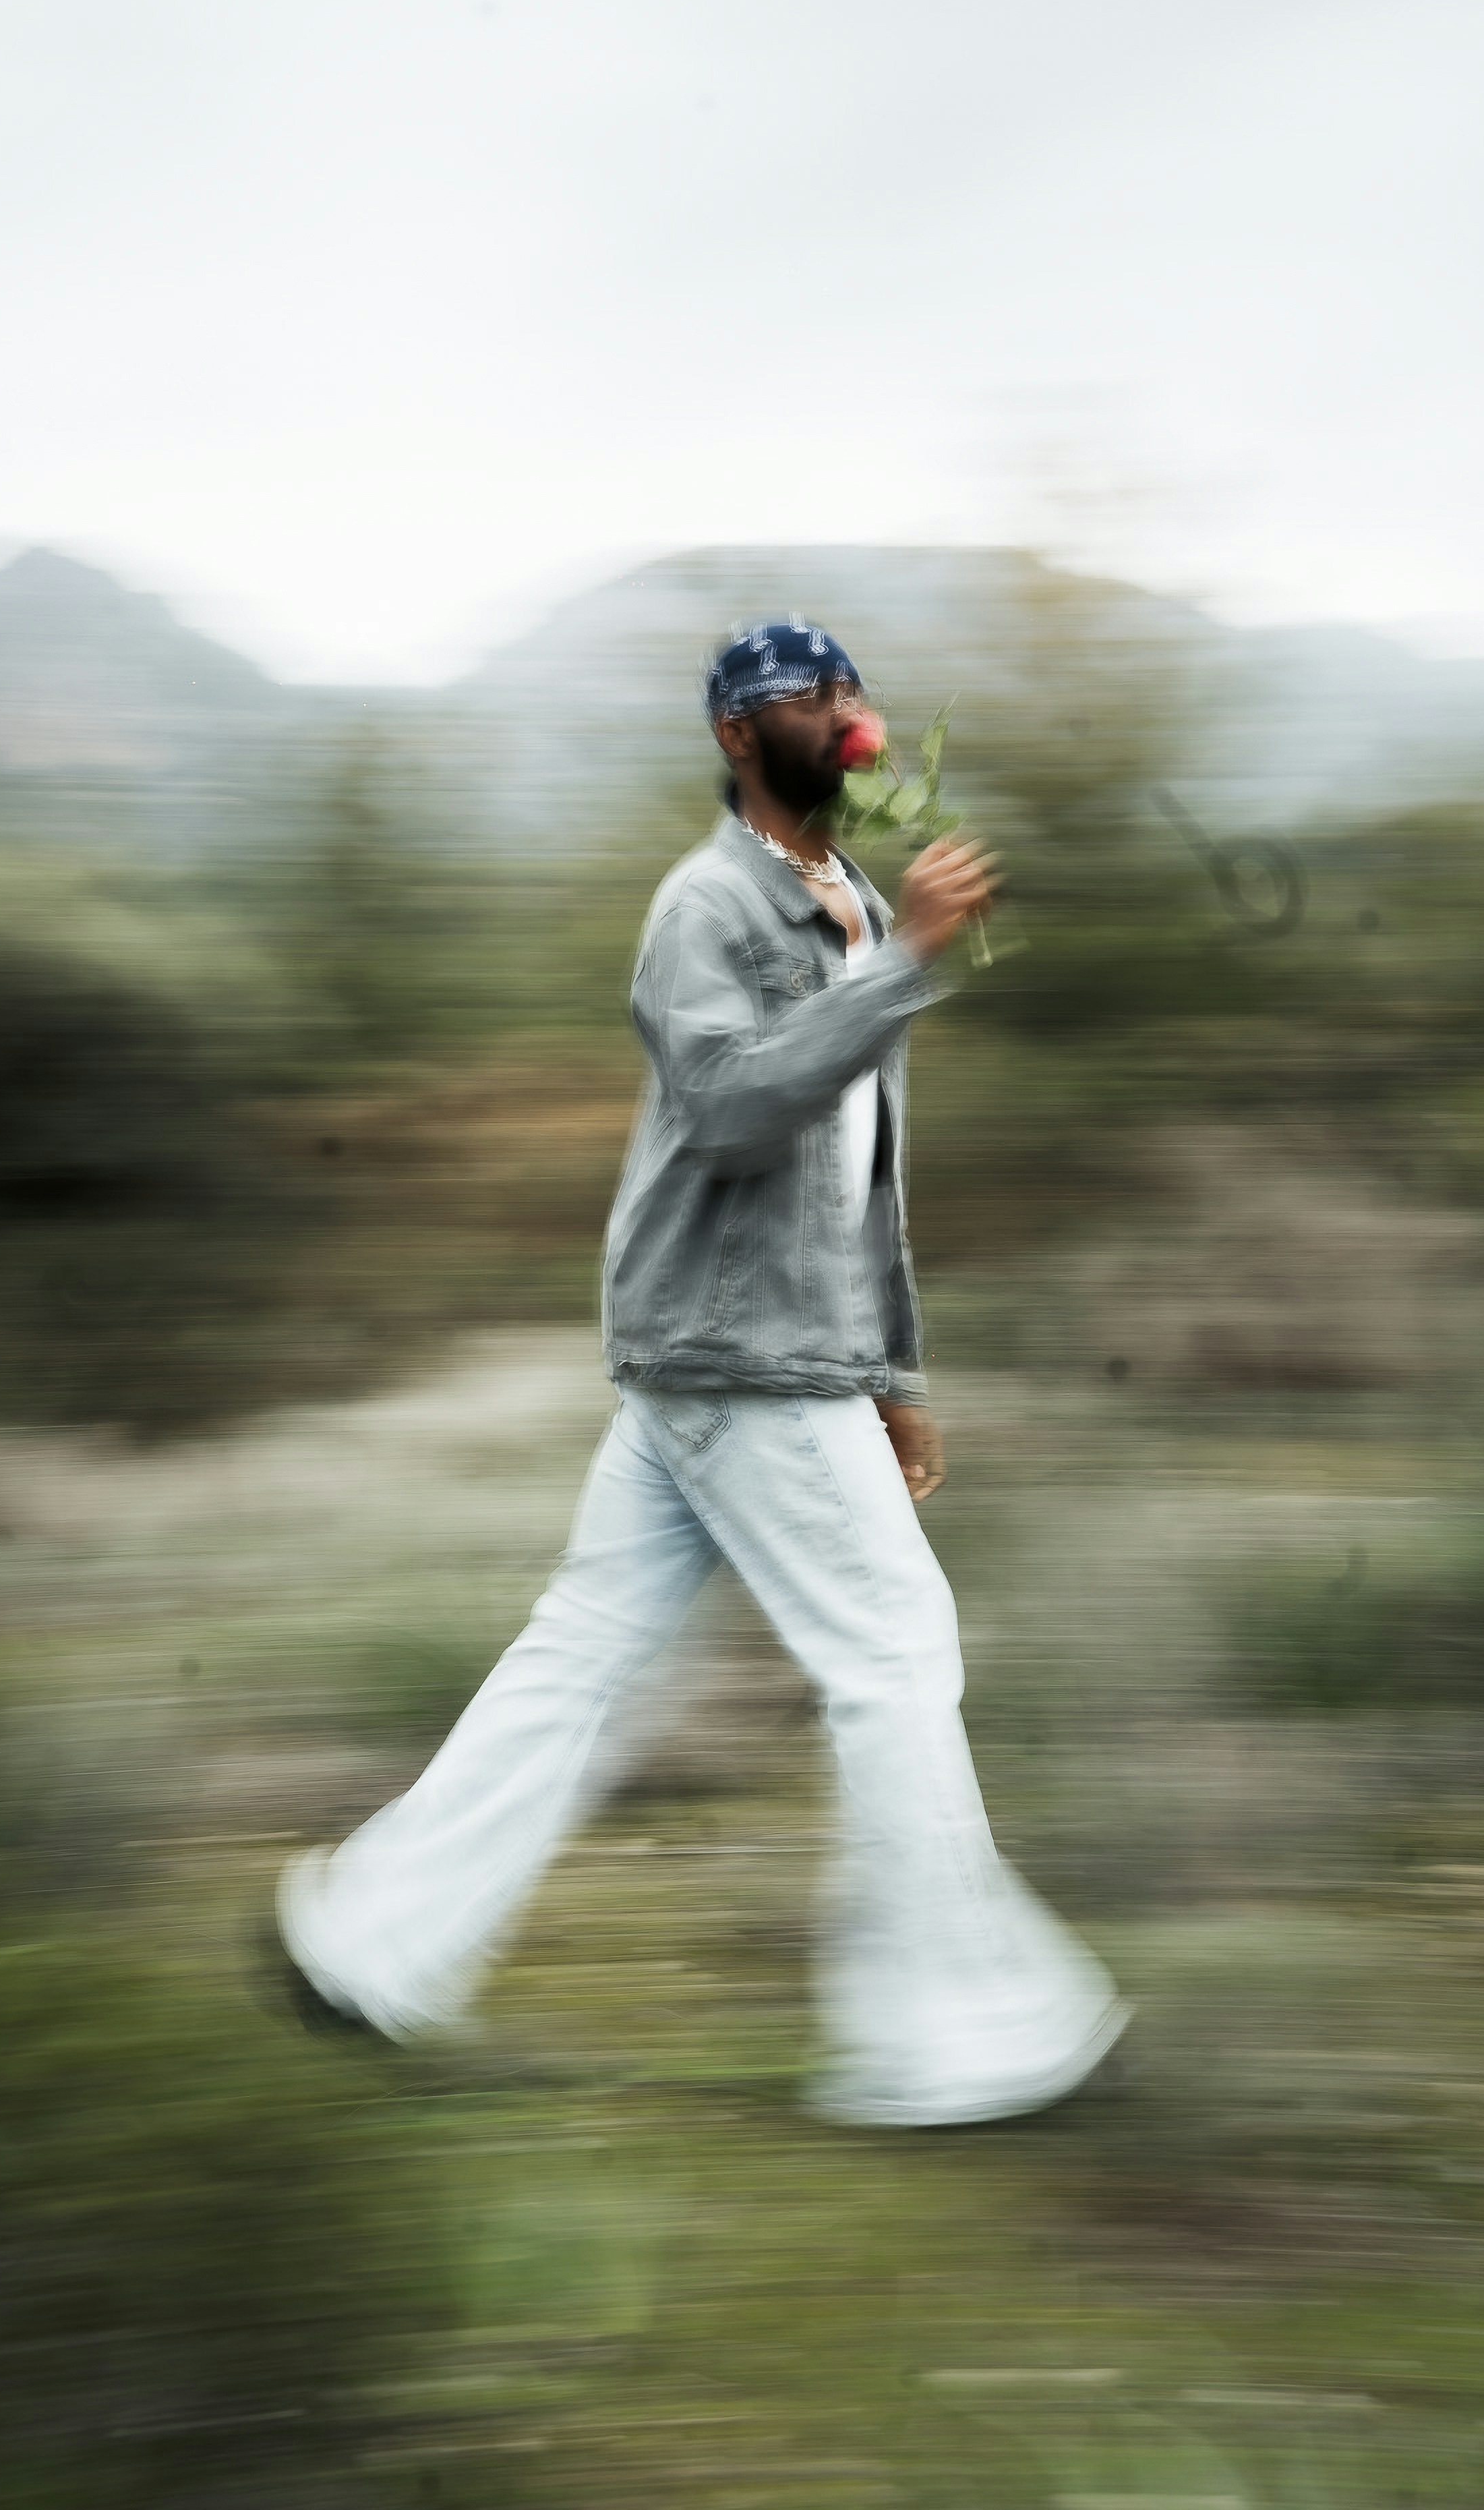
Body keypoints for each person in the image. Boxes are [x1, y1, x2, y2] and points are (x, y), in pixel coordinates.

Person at [276, 616, 1125, 2125]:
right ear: (739, 734)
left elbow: (860, 1172)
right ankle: (954, 2037)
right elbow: (733, 1110)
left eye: (853, 689)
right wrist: (910, 964)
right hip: (739, 1353)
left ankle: (367, 1942)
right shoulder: (707, 905)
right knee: (894, 1655)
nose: (848, 715)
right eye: (812, 696)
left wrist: (894, 1370)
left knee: (584, 1653)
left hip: (754, 1351)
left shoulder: (855, 902)